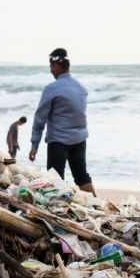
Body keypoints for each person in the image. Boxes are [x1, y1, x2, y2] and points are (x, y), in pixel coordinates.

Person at [29, 48, 95, 195]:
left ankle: (56, 211)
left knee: (55, 178)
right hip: (79, 139)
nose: (51, 70)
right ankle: (97, 205)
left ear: (58, 67)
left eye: (51, 67)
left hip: (58, 141)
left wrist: (34, 144)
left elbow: (40, 117)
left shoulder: (52, 88)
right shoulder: (81, 88)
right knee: (82, 176)